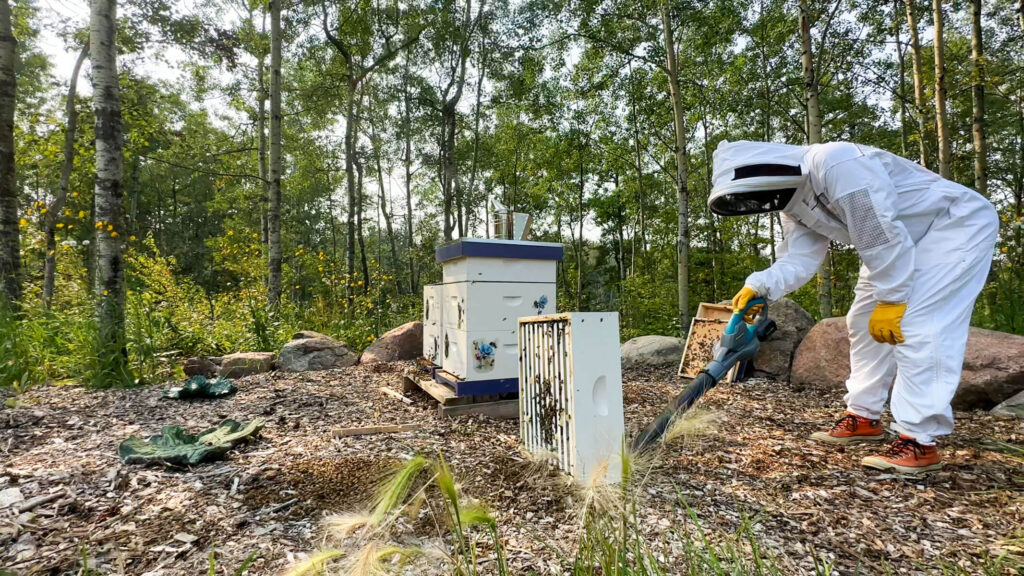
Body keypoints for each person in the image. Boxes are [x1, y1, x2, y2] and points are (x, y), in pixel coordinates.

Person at [709, 140, 998, 474]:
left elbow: (878, 233)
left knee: (920, 326)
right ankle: (864, 416)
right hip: (898, 243)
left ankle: (919, 440)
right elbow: (800, 259)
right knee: (861, 322)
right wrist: (759, 284)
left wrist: (892, 298)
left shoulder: (836, 163)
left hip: (954, 226)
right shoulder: (793, 203)